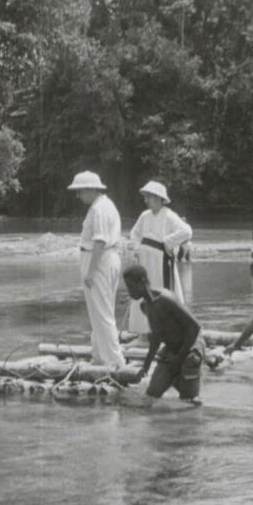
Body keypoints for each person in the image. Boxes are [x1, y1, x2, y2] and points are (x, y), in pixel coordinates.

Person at [67, 170, 126, 367]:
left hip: (98, 260)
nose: (78, 196)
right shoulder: (105, 205)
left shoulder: (99, 209)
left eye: (81, 191)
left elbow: (99, 241)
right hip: (107, 258)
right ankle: (100, 356)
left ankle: (114, 361)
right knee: (100, 310)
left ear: (92, 189)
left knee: (102, 312)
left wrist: (90, 271)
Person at [123, 264, 203, 403]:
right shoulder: (145, 307)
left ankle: (182, 379)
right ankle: (177, 379)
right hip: (172, 350)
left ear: (142, 282)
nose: (130, 292)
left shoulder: (166, 299)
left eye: (131, 287)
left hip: (190, 347)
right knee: (151, 395)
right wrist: (146, 367)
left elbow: (194, 327)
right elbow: (156, 339)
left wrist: (179, 358)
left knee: (189, 402)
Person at [127, 180, 192, 337]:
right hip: (145, 261)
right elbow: (134, 234)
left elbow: (186, 231)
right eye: (146, 197)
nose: (146, 200)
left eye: (149, 196)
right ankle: (144, 333)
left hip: (160, 261)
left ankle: (165, 333)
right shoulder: (144, 215)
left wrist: (168, 243)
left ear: (158, 198)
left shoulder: (169, 215)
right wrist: (136, 249)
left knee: (160, 293)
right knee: (143, 291)